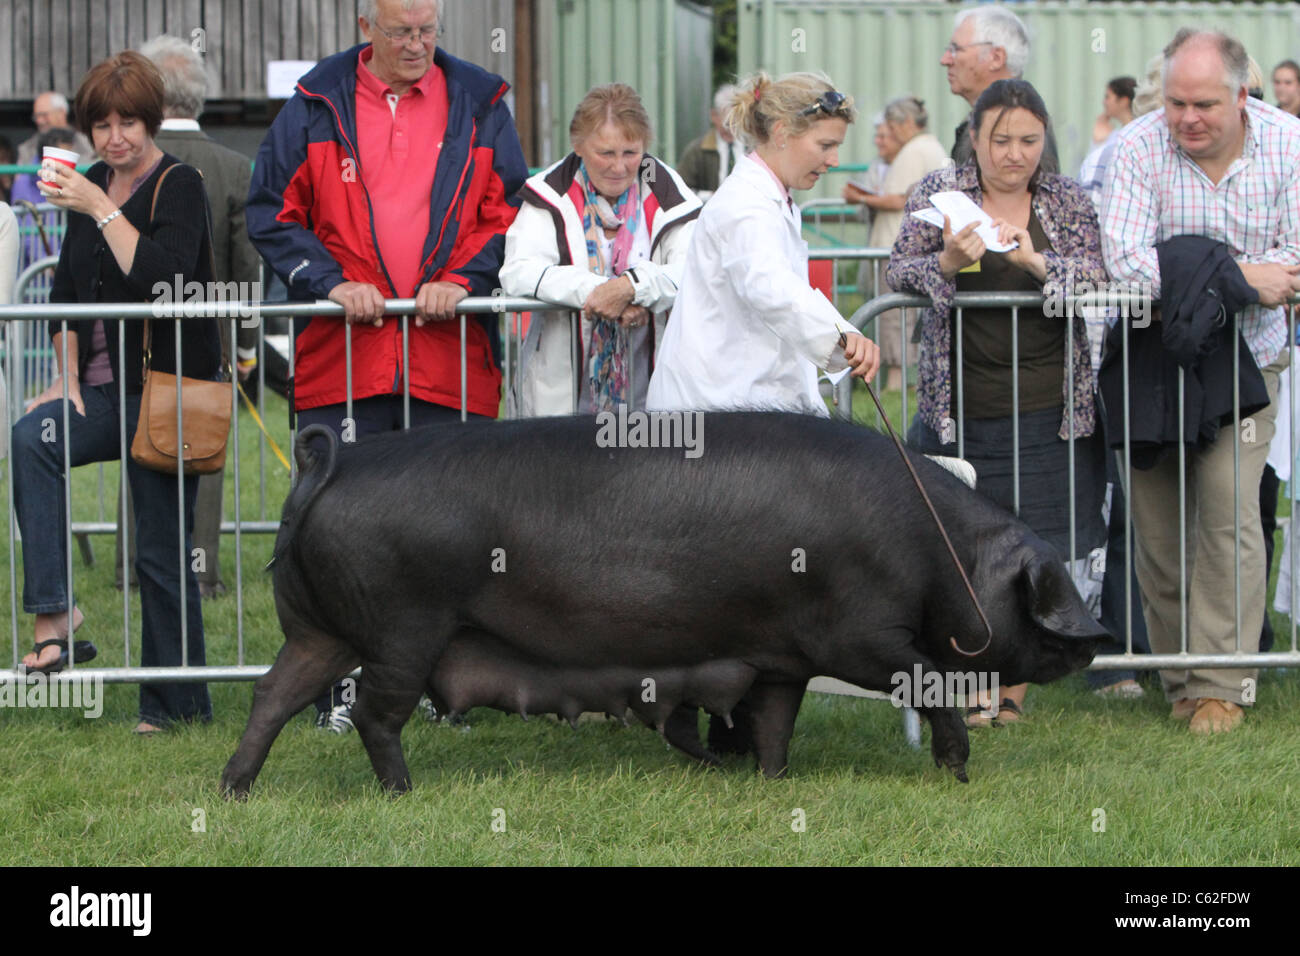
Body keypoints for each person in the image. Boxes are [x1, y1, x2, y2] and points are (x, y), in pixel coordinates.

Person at [246, 0, 527, 732]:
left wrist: (465, 279)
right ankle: (333, 686)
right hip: (344, 357)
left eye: (429, 30)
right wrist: (326, 279)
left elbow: (511, 213)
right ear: (365, 28)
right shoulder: (312, 103)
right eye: (401, 31)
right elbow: (270, 209)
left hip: (448, 356)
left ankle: (450, 688)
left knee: (456, 531)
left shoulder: (482, 100)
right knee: (336, 528)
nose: (417, 45)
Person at [11, 51, 220, 733]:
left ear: (151, 119)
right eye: (101, 124)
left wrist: (101, 205)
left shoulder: (178, 183)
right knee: (30, 438)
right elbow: (65, 292)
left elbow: (164, 281)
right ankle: (57, 619)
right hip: (97, 395)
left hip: (167, 394)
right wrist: (63, 377)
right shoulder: (89, 183)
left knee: (160, 552)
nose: (115, 137)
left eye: (128, 121)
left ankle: (176, 703)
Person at [888, 79, 1108, 727]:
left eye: (1029, 141)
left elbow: (1095, 279)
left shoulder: (1066, 198)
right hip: (959, 404)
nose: (1014, 154)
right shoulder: (938, 194)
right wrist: (949, 263)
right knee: (963, 549)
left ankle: (1013, 690)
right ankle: (972, 681)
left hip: (1048, 405)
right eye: (1000, 140)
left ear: (1045, 140)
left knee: (1033, 550)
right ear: (975, 138)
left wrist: (1039, 262)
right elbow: (898, 270)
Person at [1100, 28, 1300, 734]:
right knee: (1157, 525)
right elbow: (1125, 264)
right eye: (1177, 101)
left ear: (1242, 97)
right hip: (1154, 361)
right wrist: (1237, 274)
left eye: (1205, 104)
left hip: (1251, 363)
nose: (1187, 117)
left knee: (1225, 509)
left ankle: (1223, 682)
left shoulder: (1289, 145)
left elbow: (1295, 262)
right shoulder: (1136, 147)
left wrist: (1187, 267)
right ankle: (1180, 675)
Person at [106, 34, 263, 600]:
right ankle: (198, 570)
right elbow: (247, 272)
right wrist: (246, 348)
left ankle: (131, 566)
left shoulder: (121, 166)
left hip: (134, 338)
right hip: (207, 339)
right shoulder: (234, 169)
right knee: (202, 451)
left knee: (139, 443)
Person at [647, 71, 880, 416]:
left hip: (735, 403)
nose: (834, 161)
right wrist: (842, 336)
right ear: (782, 132)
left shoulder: (770, 199)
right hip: (713, 409)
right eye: (825, 145)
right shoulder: (746, 206)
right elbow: (769, 287)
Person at [500, 83, 701, 415]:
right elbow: (519, 272)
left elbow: (695, 270)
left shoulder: (668, 192)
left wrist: (633, 287)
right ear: (578, 145)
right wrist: (604, 295)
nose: (619, 167)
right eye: (606, 153)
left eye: (631, 153)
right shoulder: (549, 192)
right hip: (561, 399)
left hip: (651, 397)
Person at [843, 95, 951, 391]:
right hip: (912, 245)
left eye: (891, 126)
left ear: (905, 124)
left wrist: (861, 197)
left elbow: (899, 199)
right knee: (902, 315)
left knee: (893, 315)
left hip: (894, 244)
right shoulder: (932, 147)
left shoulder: (913, 151)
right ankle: (900, 379)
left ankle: (895, 381)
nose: (889, 134)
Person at [940, 5, 1056, 173]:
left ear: (996, 58)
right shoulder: (977, 120)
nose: (945, 60)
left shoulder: (1028, 123)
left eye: (956, 50)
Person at [675, 84, 743, 201]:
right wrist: (711, 196)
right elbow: (679, 189)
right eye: (728, 115)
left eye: (738, 115)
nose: (733, 121)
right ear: (714, 116)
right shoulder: (697, 150)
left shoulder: (753, 148)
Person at [15, 91, 96, 166]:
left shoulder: (88, 144)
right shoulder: (27, 149)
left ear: (61, 113)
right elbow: (21, 179)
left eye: (44, 115)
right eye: (36, 116)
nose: (39, 121)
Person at [1091, 76, 1136, 146]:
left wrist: (1101, 142)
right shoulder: (1118, 133)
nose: (1104, 102)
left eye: (1107, 97)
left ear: (1124, 101)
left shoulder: (1132, 134)